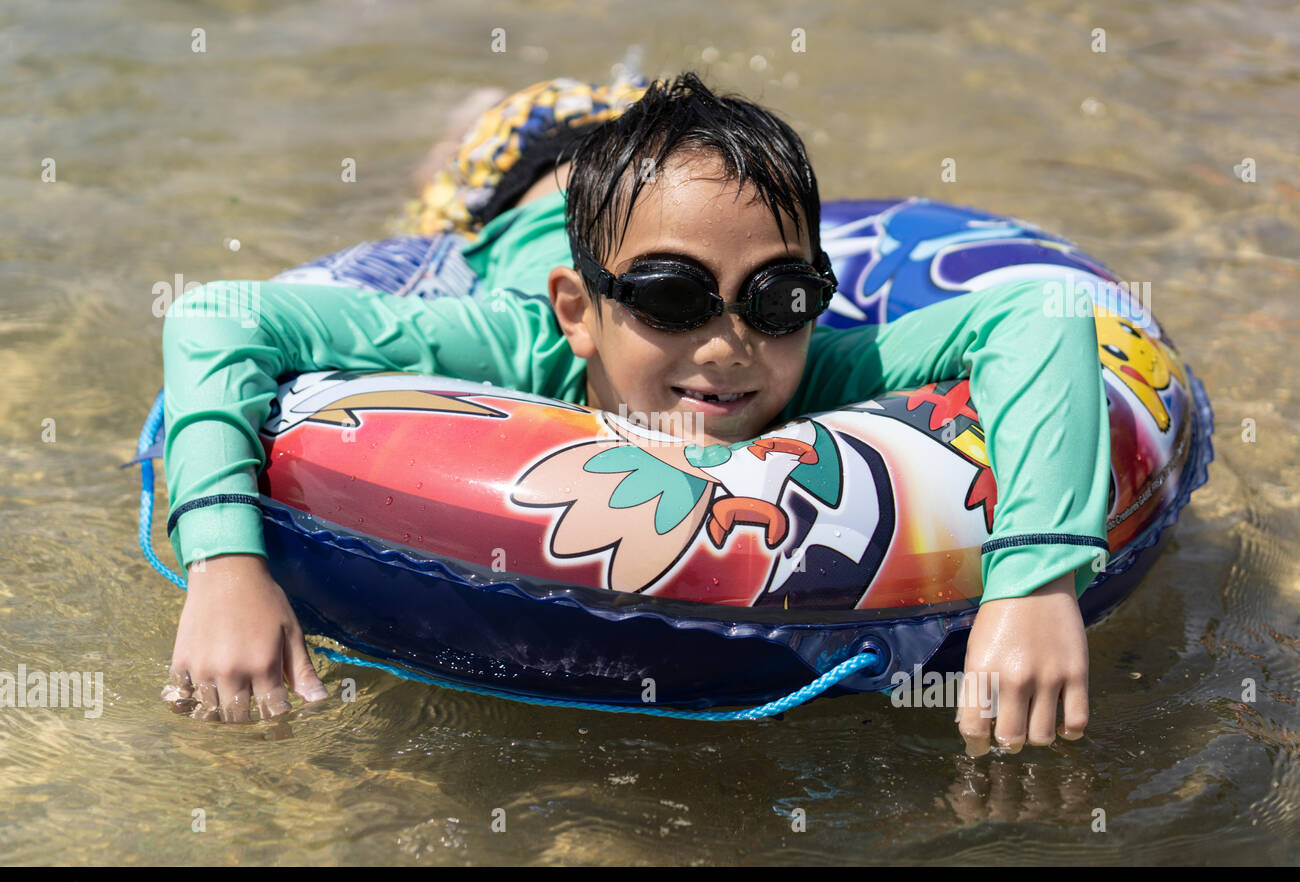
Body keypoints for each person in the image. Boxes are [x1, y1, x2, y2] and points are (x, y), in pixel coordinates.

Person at [161, 72, 1109, 757]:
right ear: (580, 311)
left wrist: (1034, 582)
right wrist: (225, 564)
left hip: (632, 186)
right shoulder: (511, 339)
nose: (728, 347)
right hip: (524, 178)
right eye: (669, 298)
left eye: (778, 298)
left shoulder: (814, 369)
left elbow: (1040, 311)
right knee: (472, 153)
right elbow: (221, 314)